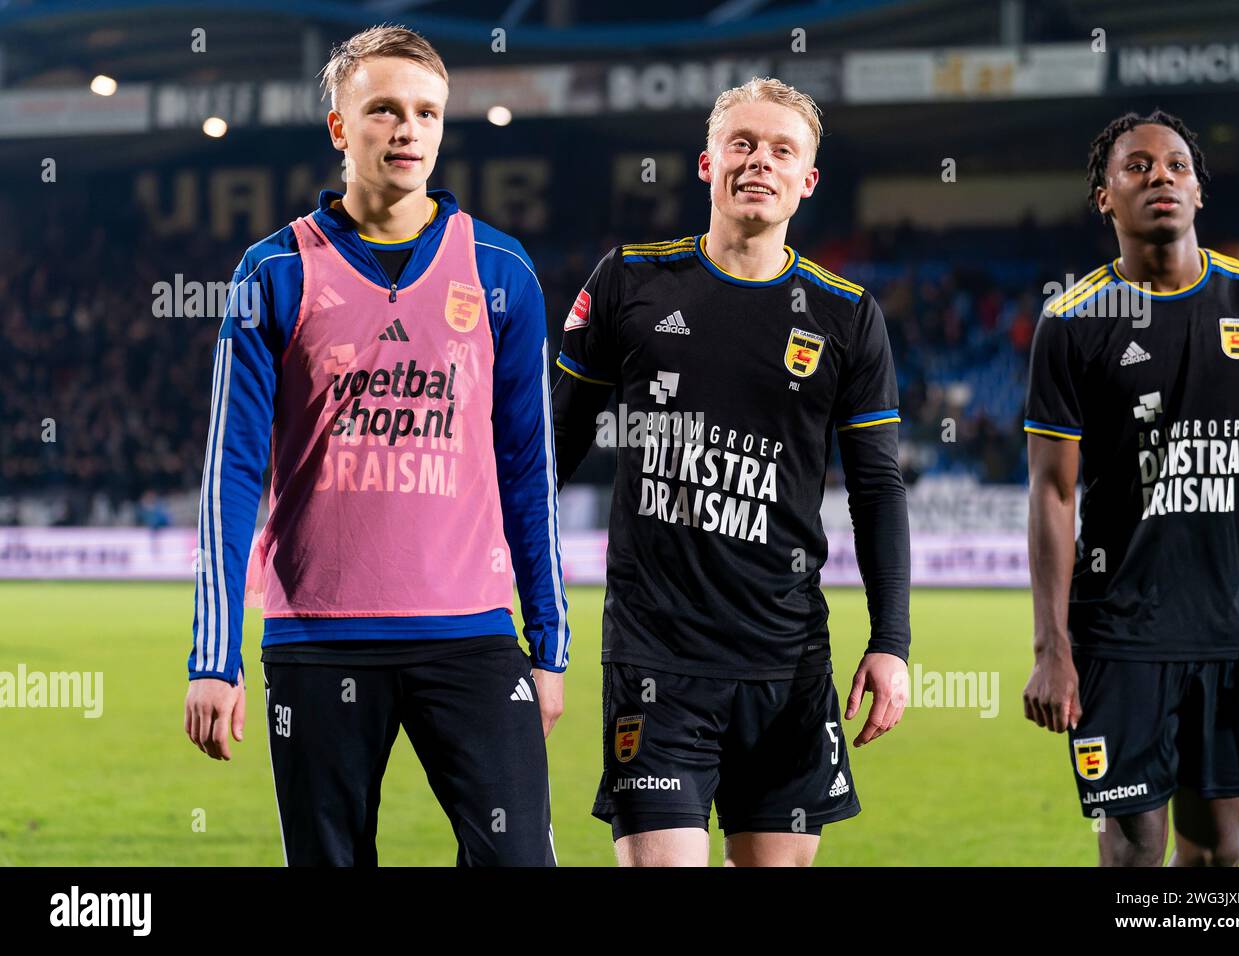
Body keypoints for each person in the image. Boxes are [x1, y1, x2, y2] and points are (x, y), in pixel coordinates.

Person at [183, 24, 567, 866]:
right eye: (385, 109)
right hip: (317, 640)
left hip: (469, 634)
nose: (408, 130)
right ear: (337, 126)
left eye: (427, 113)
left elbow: (527, 472)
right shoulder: (273, 271)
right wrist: (214, 654)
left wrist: (549, 638)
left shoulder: (501, 272)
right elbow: (231, 473)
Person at [551, 77, 911, 867]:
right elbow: (553, 449)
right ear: (709, 162)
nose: (760, 162)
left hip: (787, 662)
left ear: (807, 180)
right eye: (743, 144)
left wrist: (891, 641)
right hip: (656, 657)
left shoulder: (846, 314)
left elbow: (878, 488)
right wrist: (518, 601)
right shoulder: (629, 281)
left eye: (783, 150)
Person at [1023, 109, 1239, 866]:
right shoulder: (1073, 323)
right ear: (1104, 197)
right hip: (1117, 632)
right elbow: (1052, 494)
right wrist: (1052, 647)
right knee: (1135, 850)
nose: (1161, 178)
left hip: (1227, 625)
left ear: (1201, 193)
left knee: (1219, 852)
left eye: (1177, 165)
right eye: (1137, 167)